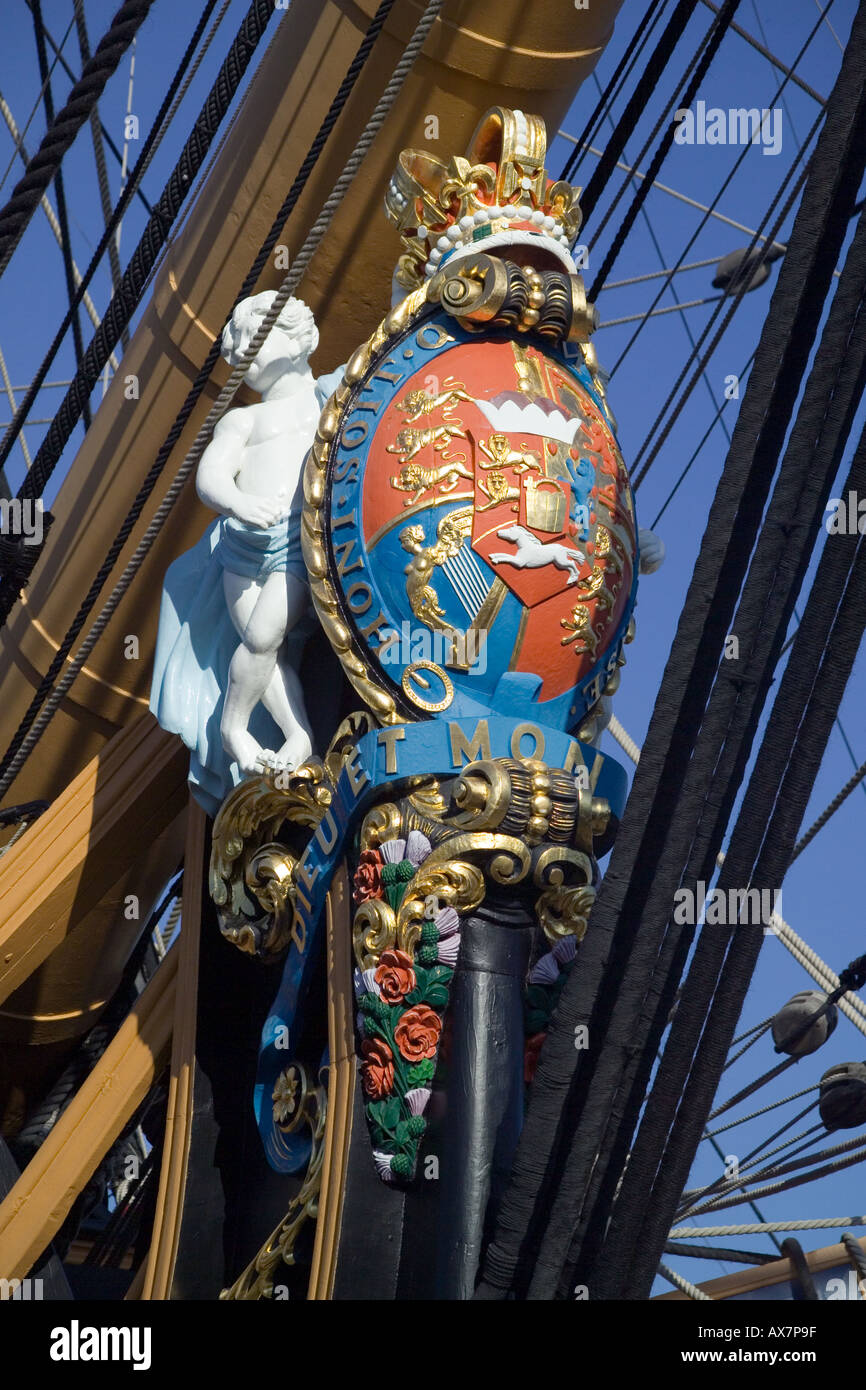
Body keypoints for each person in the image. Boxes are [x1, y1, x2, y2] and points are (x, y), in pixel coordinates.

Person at [151, 292, 343, 814]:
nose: (241, 352)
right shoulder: (243, 422)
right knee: (265, 651)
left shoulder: (332, 396)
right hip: (241, 547)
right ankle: (298, 735)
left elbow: (389, 357)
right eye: (236, 344)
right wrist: (238, 502)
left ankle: (234, 728)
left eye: (254, 338)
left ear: (301, 338)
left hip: (294, 546)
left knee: (262, 637)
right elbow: (210, 477)